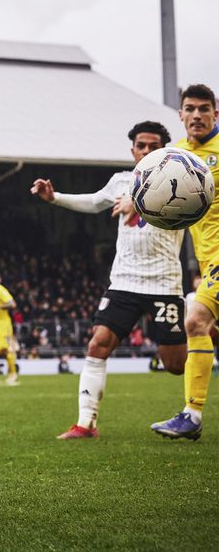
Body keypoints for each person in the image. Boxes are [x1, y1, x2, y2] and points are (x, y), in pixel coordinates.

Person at [32, 121, 186, 439]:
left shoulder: (180, 181)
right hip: (125, 281)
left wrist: (138, 203)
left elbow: (179, 212)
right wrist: (54, 197)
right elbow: (94, 202)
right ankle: (85, 424)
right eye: (141, 145)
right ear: (132, 150)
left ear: (165, 150)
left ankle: (203, 328)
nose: (146, 151)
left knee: (175, 365)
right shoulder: (121, 181)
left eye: (153, 145)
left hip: (164, 283)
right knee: (98, 344)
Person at [152, 84, 219, 440]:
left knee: (195, 321)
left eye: (204, 108)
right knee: (207, 329)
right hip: (208, 261)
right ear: (180, 115)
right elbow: (151, 189)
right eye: (190, 108)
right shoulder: (175, 154)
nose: (196, 115)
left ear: (215, 114)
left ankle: (191, 415)